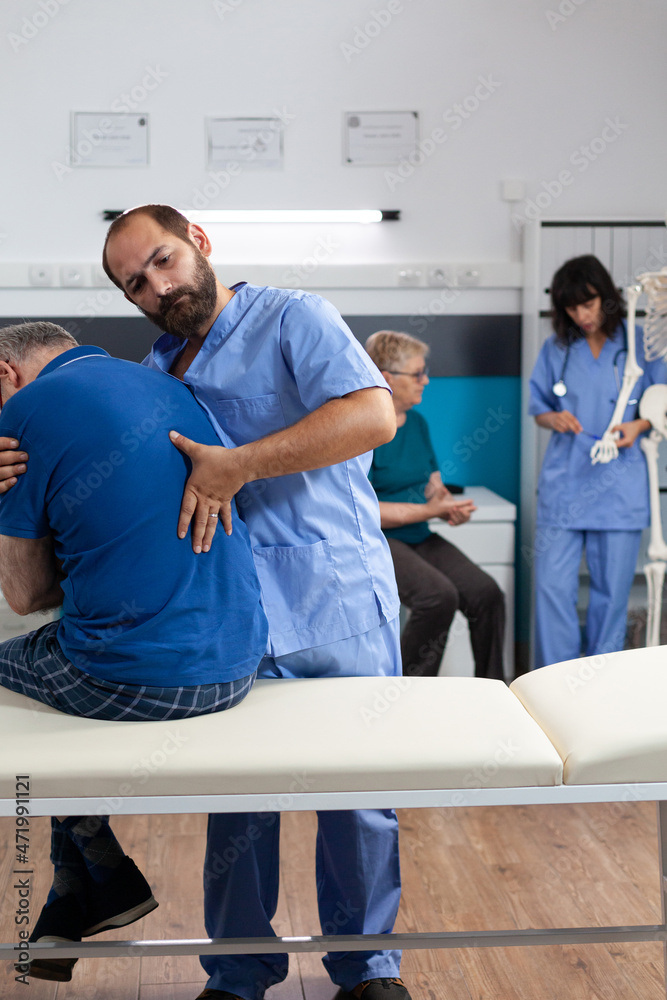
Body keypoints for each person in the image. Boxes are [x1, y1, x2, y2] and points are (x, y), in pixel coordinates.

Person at [96, 204, 406, 1000]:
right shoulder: (157, 373)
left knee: (358, 799)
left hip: (335, 601)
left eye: (162, 261)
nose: (157, 287)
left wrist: (241, 465)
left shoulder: (295, 318)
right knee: (237, 803)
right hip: (235, 617)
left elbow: (372, 415)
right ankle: (238, 972)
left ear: (199, 241)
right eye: (136, 284)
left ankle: (367, 969)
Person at [0, 321, 267, 982]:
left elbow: (25, 594)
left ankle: (96, 875)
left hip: (140, 682)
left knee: (51, 661)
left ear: (5, 375)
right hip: (237, 665)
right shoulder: (167, 385)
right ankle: (74, 891)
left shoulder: (25, 411)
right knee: (72, 650)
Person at [529, 254, 666, 668]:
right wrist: (553, 417)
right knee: (551, 589)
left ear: (606, 298)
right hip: (565, 483)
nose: (582, 315)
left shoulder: (640, 344)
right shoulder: (557, 349)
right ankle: (553, 682)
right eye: (572, 308)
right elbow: (540, 407)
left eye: (588, 304)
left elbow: (663, 403)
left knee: (612, 595)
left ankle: (599, 688)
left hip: (619, 486)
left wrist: (638, 426)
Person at [365, 330, 506, 679]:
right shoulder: (364, 428)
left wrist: (448, 506)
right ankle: (408, 693)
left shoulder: (417, 423)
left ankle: (494, 688)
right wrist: (433, 511)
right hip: (381, 541)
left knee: (487, 594)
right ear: (387, 378)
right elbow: (366, 510)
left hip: (419, 534)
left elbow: (434, 486)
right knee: (438, 597)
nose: (425, 380)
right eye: (417, 374)